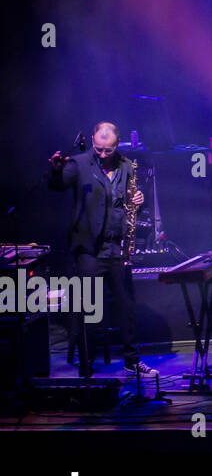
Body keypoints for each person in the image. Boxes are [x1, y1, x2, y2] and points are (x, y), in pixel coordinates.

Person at [48, 121, 158, 378]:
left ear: (116, 146)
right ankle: (86, 365)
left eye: (108, 150)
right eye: (98, 149)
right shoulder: (79, 163)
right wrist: (55, 171)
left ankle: (132, 361)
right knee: (90, 308)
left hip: (117, 247)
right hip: (89, 249)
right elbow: (57, 185)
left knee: (127, 307)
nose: (102, 154)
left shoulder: (127, 167)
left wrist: (139, 201)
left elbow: (129, 204)